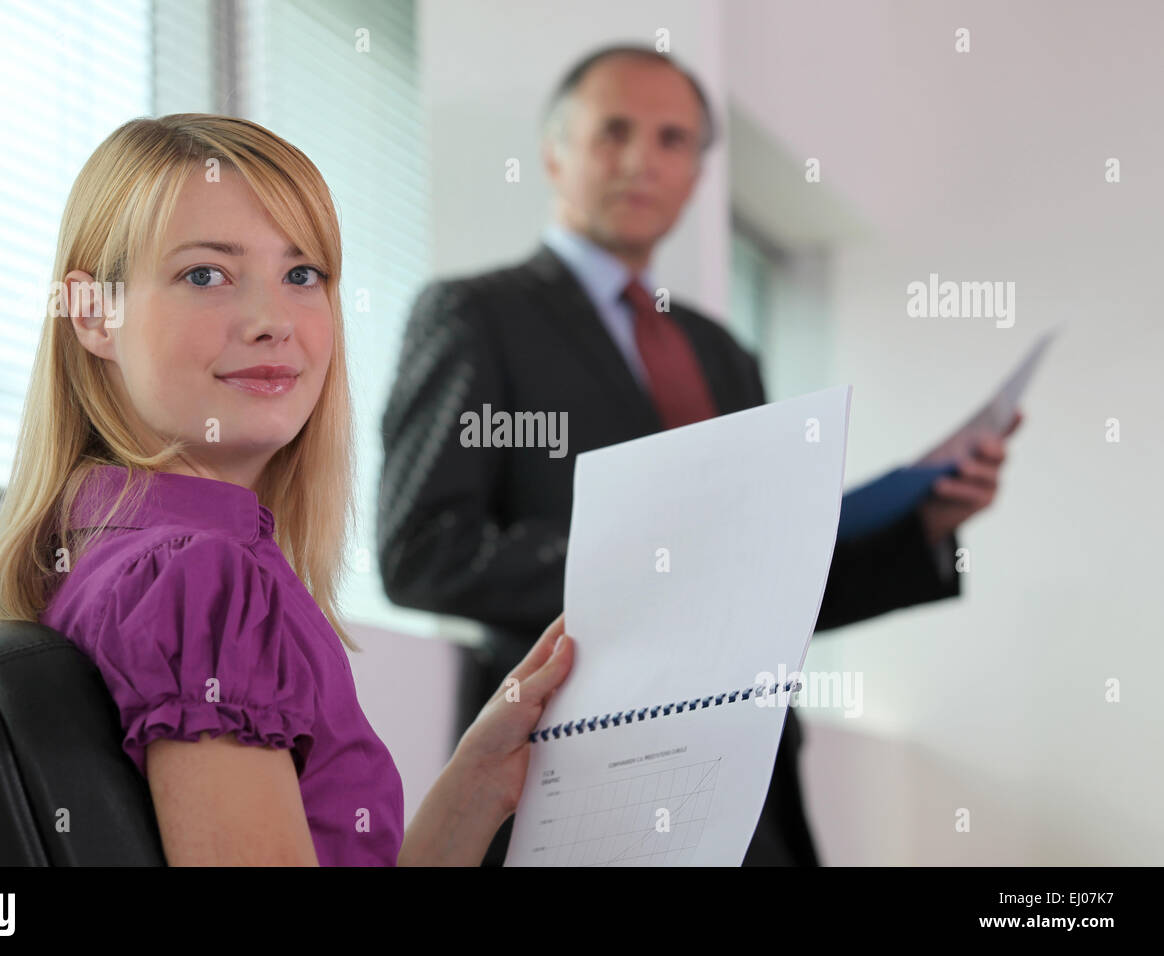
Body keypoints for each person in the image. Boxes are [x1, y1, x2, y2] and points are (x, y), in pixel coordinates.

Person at [377, 45, 1020, 866]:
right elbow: (420, 550)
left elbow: (763, 588)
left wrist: (925, 517)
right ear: (552, 153)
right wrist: (646, 567)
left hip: (749, 780)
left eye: (674, 140)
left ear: (697, 172)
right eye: (614, 131)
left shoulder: (723, 354)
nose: (644, 159)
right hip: (569, 773)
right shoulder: (476, 316)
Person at [0, 113, 574, 866]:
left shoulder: (109, 553)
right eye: (205, 274)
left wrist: (475, 784)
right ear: (93, 313)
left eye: (302, 275)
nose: (271, 321)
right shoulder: (199, 582)